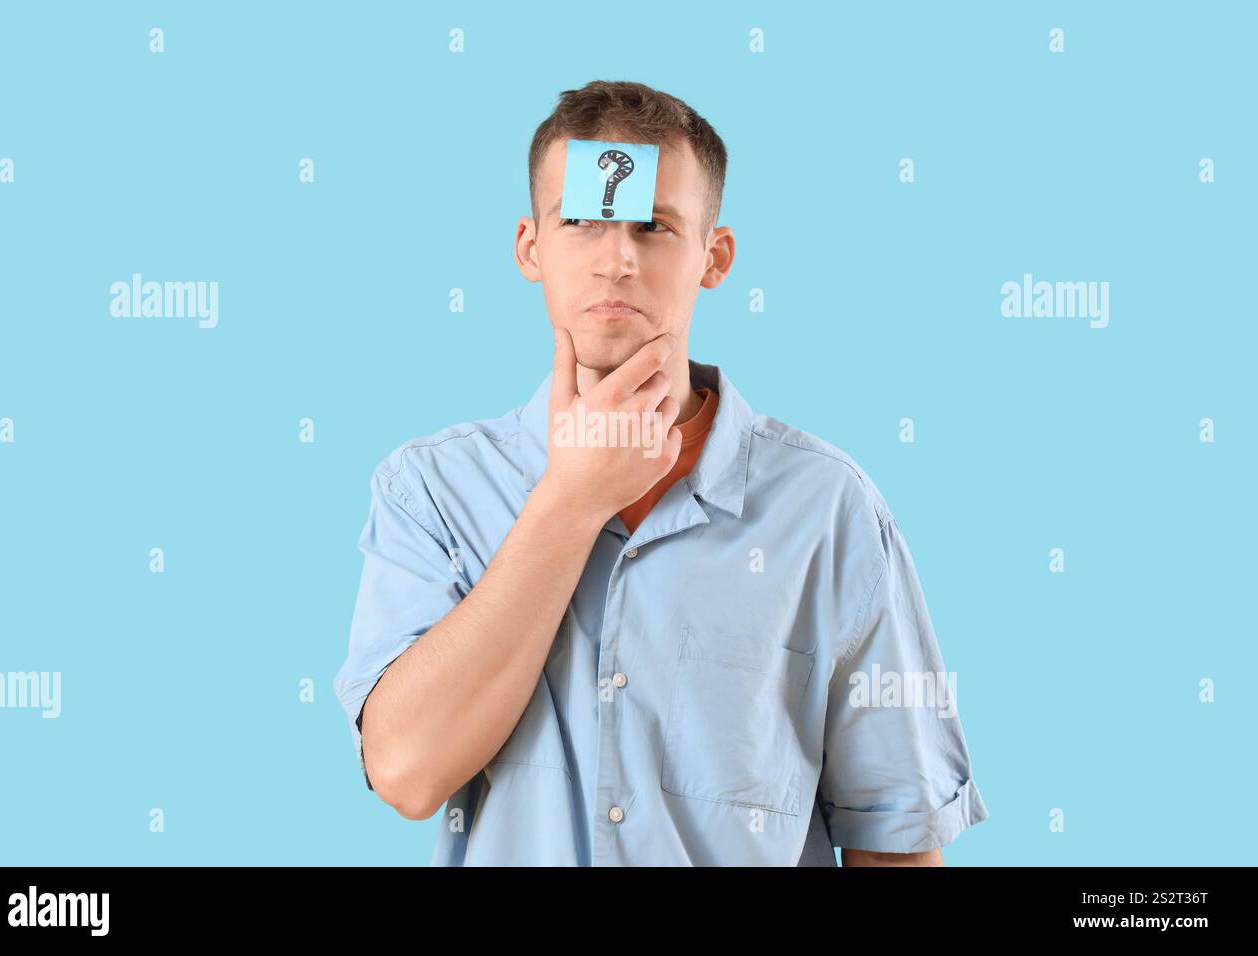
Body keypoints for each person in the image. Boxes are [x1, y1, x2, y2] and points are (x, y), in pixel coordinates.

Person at [333, 79, 988, 866]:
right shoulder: (431, 492)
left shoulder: (828, 510)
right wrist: (572, 501)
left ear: (714, 257)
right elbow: (406, 772)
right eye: (582, 221)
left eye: (654, 226)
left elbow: (898, 838)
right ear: (529, 246)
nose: (616, 259)